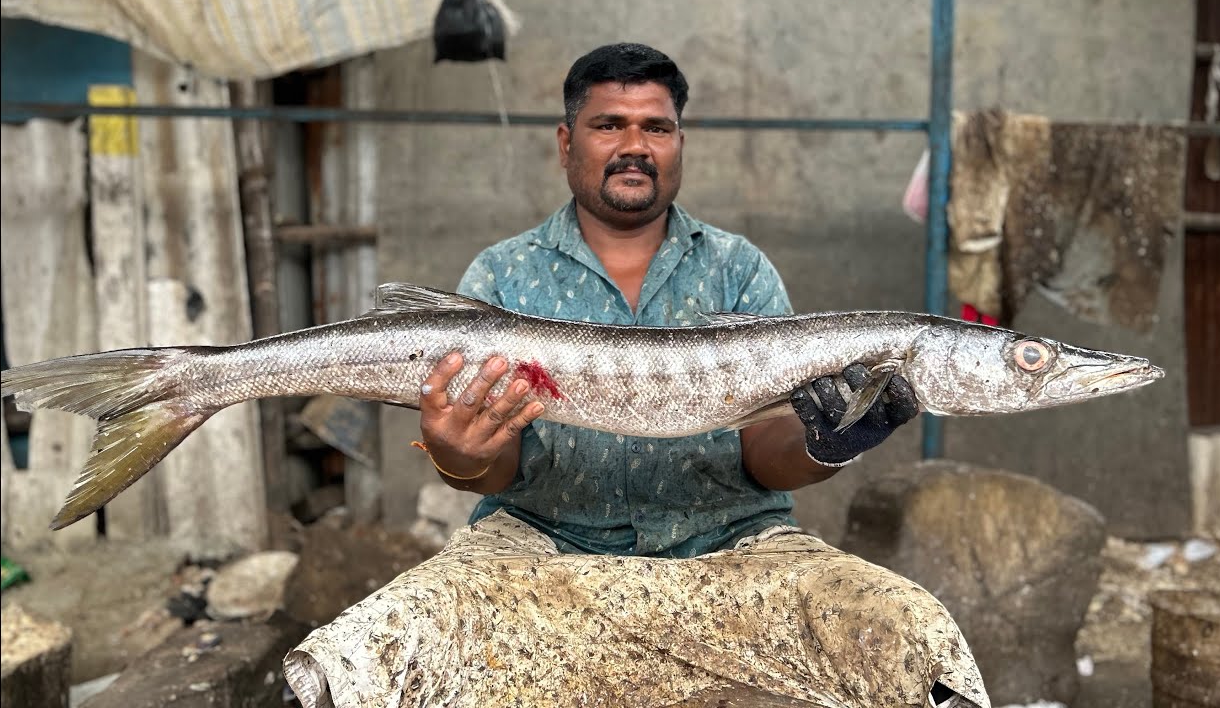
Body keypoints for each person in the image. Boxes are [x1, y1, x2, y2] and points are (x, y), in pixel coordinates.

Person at [283, 43, 989, 708]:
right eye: (609, 124)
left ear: (679, 144)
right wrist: (459, 453)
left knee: (913, 634)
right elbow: (493, 470)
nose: (634, 145)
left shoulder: (738, 270)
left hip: (733, 554)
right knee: (360, 657)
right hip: (538, 553)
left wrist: (829, 444)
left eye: (657, 127)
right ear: (567, 143)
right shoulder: (502, 275)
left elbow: (766, 458)